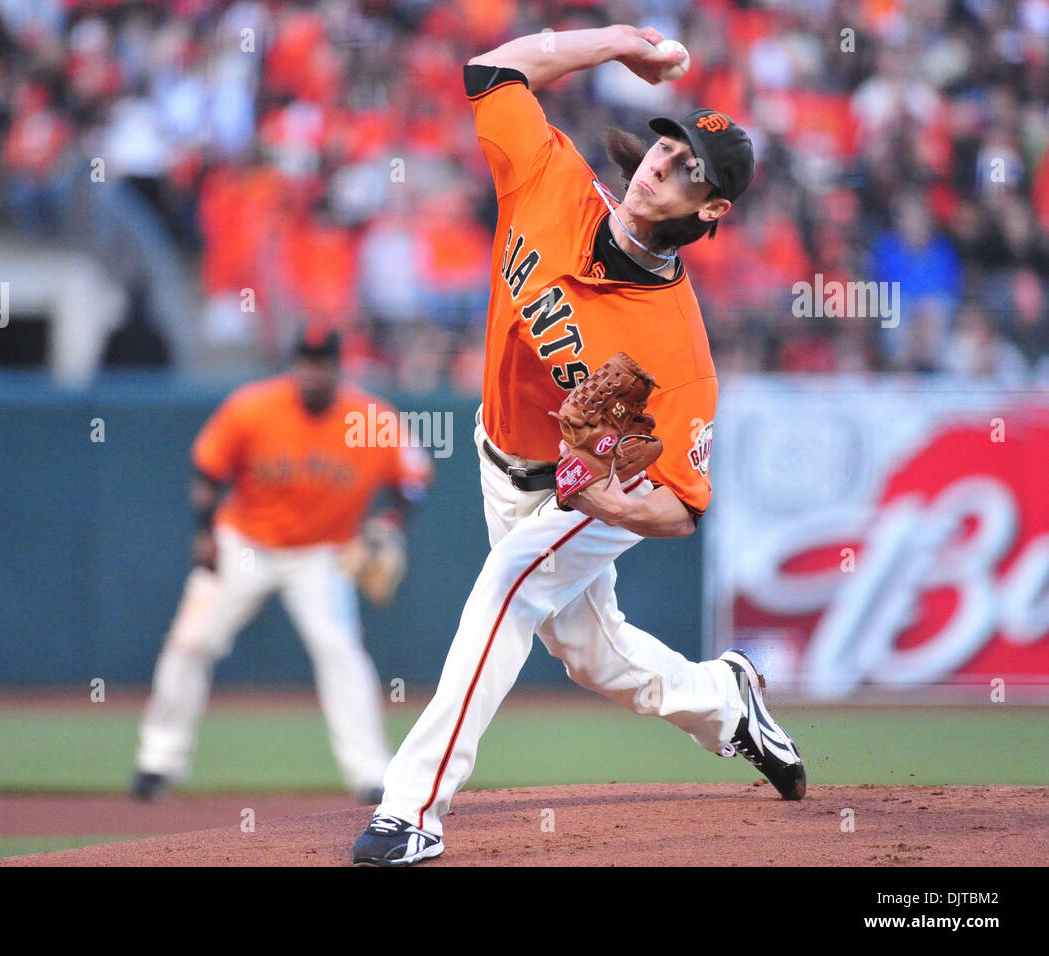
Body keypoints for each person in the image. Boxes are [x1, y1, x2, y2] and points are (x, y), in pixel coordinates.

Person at [352, 24, 806, 866]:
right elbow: (491, 69)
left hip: (590, 486)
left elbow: (679, 507)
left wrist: (601, 497)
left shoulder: (677, 353)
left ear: (711, 211)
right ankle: (727, 700)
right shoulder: (552, 178)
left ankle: (412, 809)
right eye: (666, 149)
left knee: (507, 586)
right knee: (593, 655)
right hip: (501, 455)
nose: (660, 168)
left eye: (686, 175)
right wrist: (620, 43)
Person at [132, 328, 430, 803]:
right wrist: (204, 532)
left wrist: (389, 524)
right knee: (190, 642)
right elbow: (208, 474)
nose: (313, 371)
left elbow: (413, 480)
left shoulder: (372, 419)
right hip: (243, 544)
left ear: (338, 367)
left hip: (321, 556)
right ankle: (157, 761)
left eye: (322, 362)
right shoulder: (251, 407)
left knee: (340, 651)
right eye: (306, 361)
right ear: (295, 364)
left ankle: (371, 774)